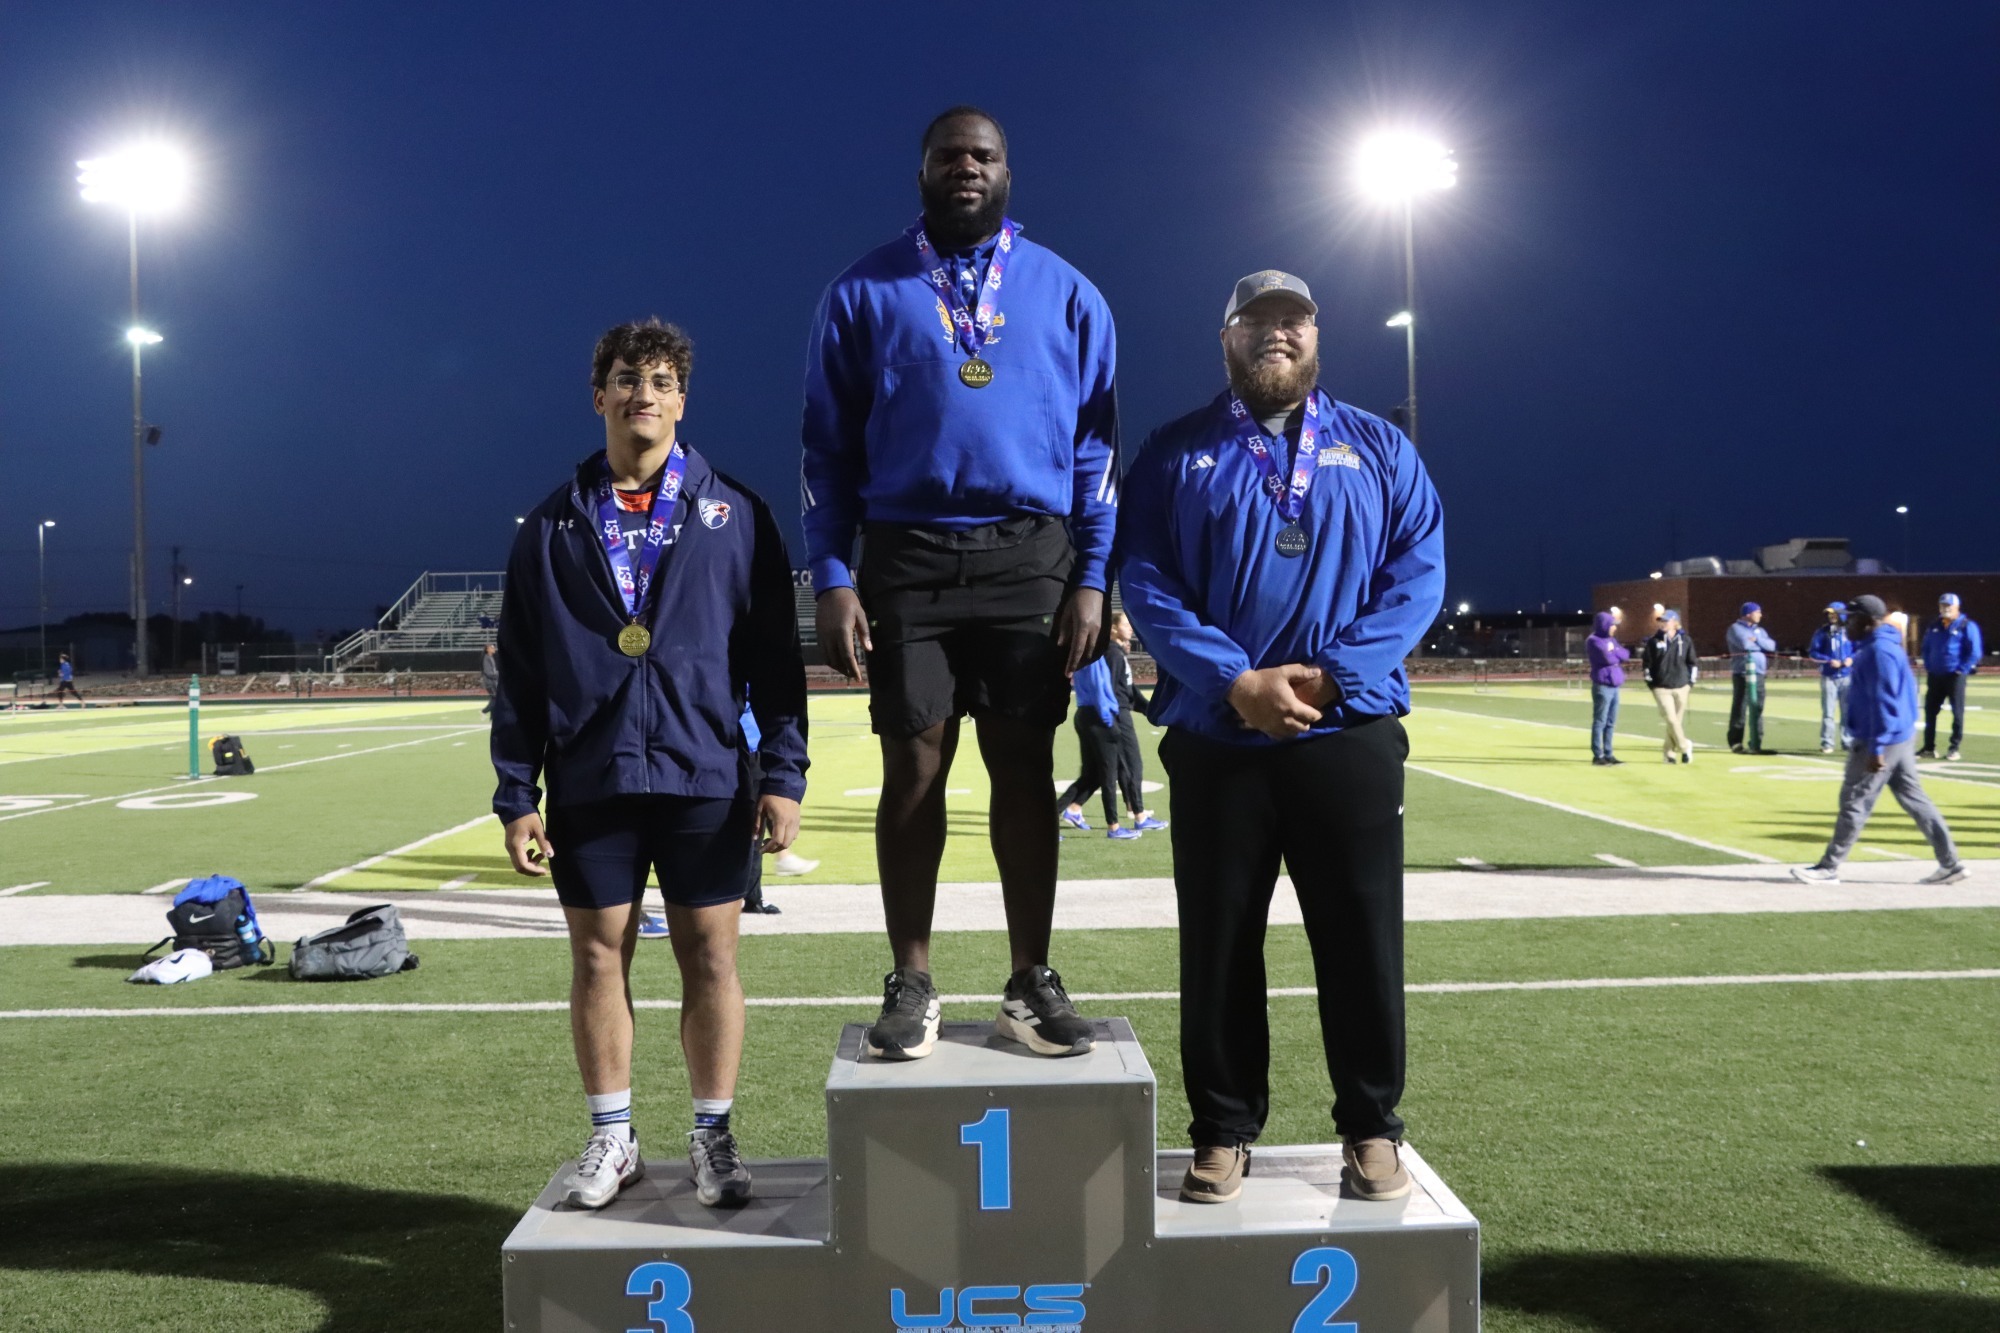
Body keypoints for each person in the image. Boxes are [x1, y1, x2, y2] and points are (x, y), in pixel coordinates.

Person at [1119, 269, 1445, 1206]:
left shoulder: (1380, 447)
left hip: (1348, 730)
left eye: (1292, 321)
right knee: (1219, 945)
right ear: (1225, 337)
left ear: (1316, 335)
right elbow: (1144, 578)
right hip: (1222, 738)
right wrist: (1235, 679)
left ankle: (1371, 1126)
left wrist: (1335, 671)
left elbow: (1418, 573)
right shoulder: (1176, 452)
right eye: (1256, 322)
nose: (1276, 335)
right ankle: (1222, 1128)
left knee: (1361, 940)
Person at [801, 106, 1117, 1061]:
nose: (966, 168)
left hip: (1032, 553)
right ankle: (913, 975)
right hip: (908, 553)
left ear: (1008, 171)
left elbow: (1097, 447)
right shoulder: (863, 291)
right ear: (923, 171)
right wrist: (831, 572)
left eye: (983, 156)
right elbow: (827, 446)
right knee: (915, 768)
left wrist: (1093, 577)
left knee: (1023, 769)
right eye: (949, 156)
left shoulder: (1069, 293)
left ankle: (1031, 976)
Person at [491, 319, 809, 1211]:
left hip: (706, 770)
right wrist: (517, 794)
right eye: (628, 379)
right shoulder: (551, 525)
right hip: (591, 775)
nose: (646, 394)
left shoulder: (736, 511)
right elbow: (518, 671)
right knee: (598, 959)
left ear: (682, 399)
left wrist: (783, 772)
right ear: (599, 395)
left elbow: (776, 660)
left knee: (712, 956)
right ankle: (612, 1134)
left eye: (663, 380)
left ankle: (712, 1134)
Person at [1790, 596, 1963, 886]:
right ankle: (1951, 863)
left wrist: (1877, 746)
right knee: (1915, 800)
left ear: (1869, 623)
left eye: (1853, 620)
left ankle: (1828, 867)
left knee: (1855, 800)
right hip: (1899, 736)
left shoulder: (1879, 652)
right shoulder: (1881, 646)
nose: (1846, 626)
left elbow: (1885, 701)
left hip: (1881, 737)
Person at [1058, 656, 1141, 839]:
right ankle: (1114, 827)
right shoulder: (1094, 658)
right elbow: (1099, 689)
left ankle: (1057, 816)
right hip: (1099, 717)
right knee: (1109, 775)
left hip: (1085, 713)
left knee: (1091, 776)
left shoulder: (1084, 657)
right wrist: (1109, 722)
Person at [1918, 593, 1982, 761]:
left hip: (1954, 676)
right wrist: (1929, 665)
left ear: (1956, 607)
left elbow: (1975, 651)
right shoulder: (1934, 625)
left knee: (1957, 713)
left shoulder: (1966, 625)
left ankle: (1954, 748)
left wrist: (1962, 669)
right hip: (1935, 676)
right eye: (1942, 606)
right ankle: (1928, 747)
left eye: (1948, 606)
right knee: (1930, 712)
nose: (1945, 609)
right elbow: (1925, 647)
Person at [1640, 608, 1698, 763]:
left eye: (1666, 620)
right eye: (1662, 621)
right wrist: (1651, 683)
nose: (1663, 623)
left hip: (1682, 686)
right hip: (1661, 687)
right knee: (1671, 719)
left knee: (1675, 722)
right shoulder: (1653, 641)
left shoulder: (1685, 640)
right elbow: (1647, 664)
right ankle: (1685, 746)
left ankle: (1669, 754)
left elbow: (1692, 662)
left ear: (1675, 622)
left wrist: (1690, 683)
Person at [1725, 602, 1777, 753]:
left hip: (1759, 674)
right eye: (1757, 612)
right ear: (1748, 614)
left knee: (1758, 707)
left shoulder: (1759, 631)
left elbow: (1772, 646)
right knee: (1740, 707)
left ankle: (1756, 742)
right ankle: (1735, 742)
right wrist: (1758, 643)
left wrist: (1757, 641)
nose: (1760, 615)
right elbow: (1745, 644)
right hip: (1743, 673)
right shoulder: (1735, 628)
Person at [1806, 601, 1853, 754]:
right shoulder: (1822, 632)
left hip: (1847, 676)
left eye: (1835, 613)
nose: (1831, 616)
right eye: (1829, 614)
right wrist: (1828, 660)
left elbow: (1860, 649)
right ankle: (1827, 742)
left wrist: (1851, 659)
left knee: (1847, 712)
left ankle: (1848, 741)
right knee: (1828, 712)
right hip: (1829, 676)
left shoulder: (1851, 632)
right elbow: (1813, 652)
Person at [1585, 611, 1629, 765]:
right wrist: (1614, 653)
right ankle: (1598, 755)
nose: (1614, 628)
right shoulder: (1593, 641)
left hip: (1614, 685)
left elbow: (1625, 654)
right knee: (1600, 721)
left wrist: (1614, 651)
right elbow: (1608, 658)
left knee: (1611, 722)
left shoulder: (1611, 640)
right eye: (1612, 625)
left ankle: (1609, 753)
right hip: (1602, 686)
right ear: (1604, 625)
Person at [479, 642, 499, 715]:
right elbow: (488, 672)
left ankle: (492, 716)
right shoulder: (486, 658)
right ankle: (484, 711)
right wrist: (498, 674)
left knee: (495, 699)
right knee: (496, 699)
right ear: (487, 649)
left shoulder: (490, 657)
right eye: (492, 647)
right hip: (490, 683)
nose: (494, 648)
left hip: (493, 682)